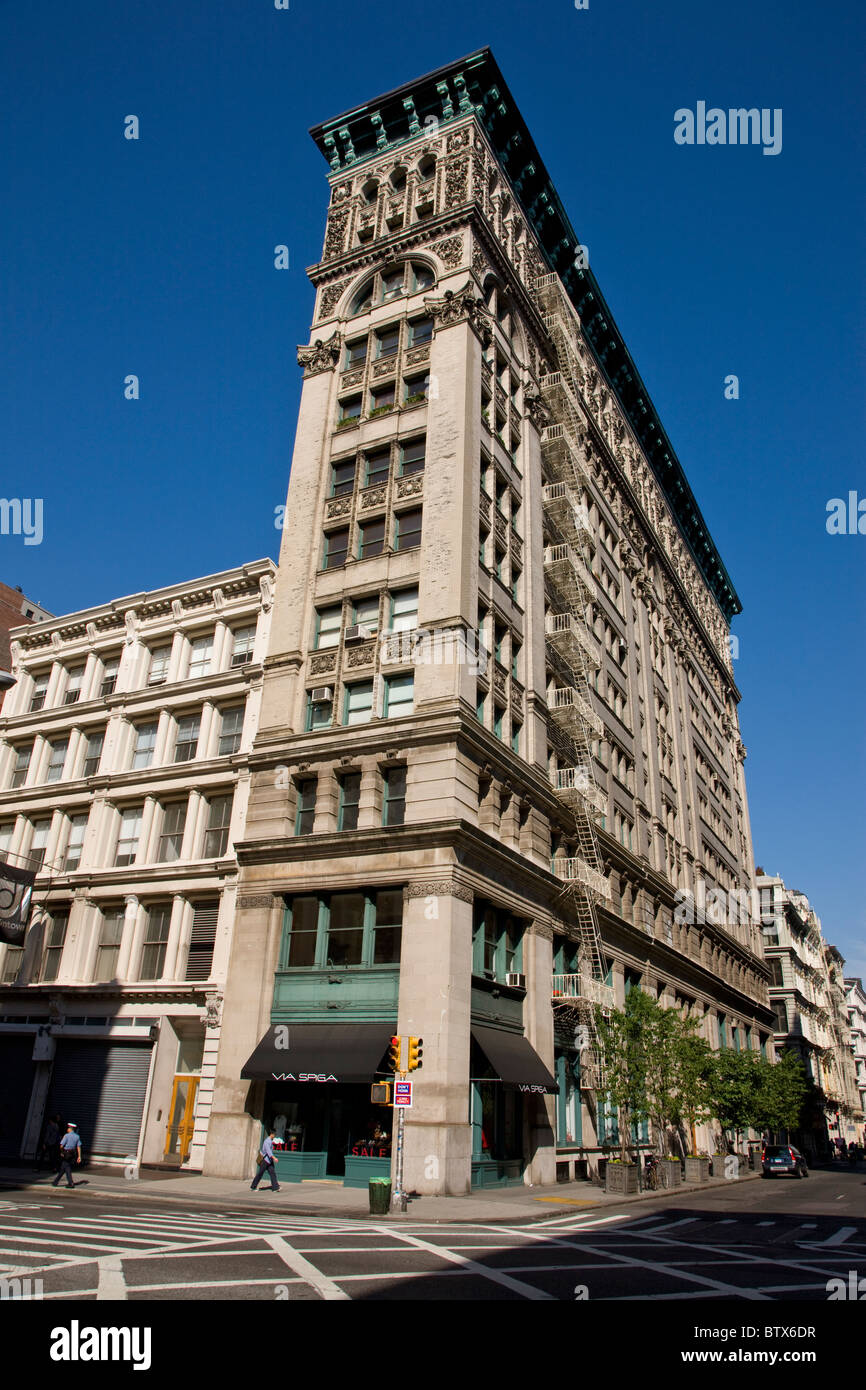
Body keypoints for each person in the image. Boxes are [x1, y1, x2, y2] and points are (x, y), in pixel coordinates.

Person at [52, 1123, 82, 1188]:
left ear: (70, 1129)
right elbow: (78, 1147)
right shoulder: (77, 1136)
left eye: (68, 1128)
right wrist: (79, 1156)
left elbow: (61, 1146)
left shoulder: (66, 1136)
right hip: (73, 1154)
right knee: (63, 1168)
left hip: (66, 1153)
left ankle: (71, 1183)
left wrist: (62, 1152)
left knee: (67, 1167)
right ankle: (55, 1181)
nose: (67, 1129)